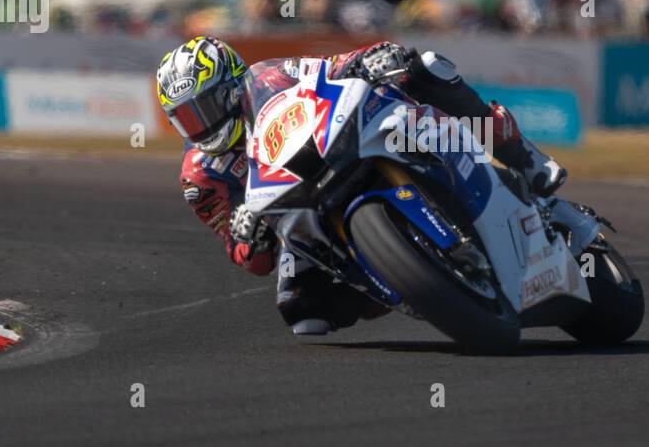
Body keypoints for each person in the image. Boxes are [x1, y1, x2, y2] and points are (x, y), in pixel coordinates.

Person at [156, 37, 566, 335]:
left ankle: (524, 158)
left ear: (231, 87)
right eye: (185, 118)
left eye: (205, 108)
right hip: (292, 217)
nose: (201, 125)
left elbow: (332, 66)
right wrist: (248, 238)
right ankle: (410, 286)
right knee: (302, 312)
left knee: (422, 64)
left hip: (335, 145)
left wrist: (372, 57)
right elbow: (244, 253)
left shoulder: (270, 78)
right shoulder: (200, 177)